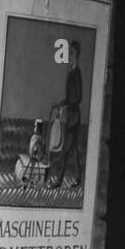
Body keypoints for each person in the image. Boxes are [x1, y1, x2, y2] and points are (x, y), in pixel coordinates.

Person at [49, 39, 83, 189]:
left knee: (65, 150)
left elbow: (78, 97)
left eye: (71, 53)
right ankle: (78, 178)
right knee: (73, 150)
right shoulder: (71, 73)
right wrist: (61, 103)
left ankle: (58, 180)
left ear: (76, 54)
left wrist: (67, 104)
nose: (69, 55)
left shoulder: (77, 73)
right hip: (71, 115)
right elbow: (70, 97)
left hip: (73, 117)